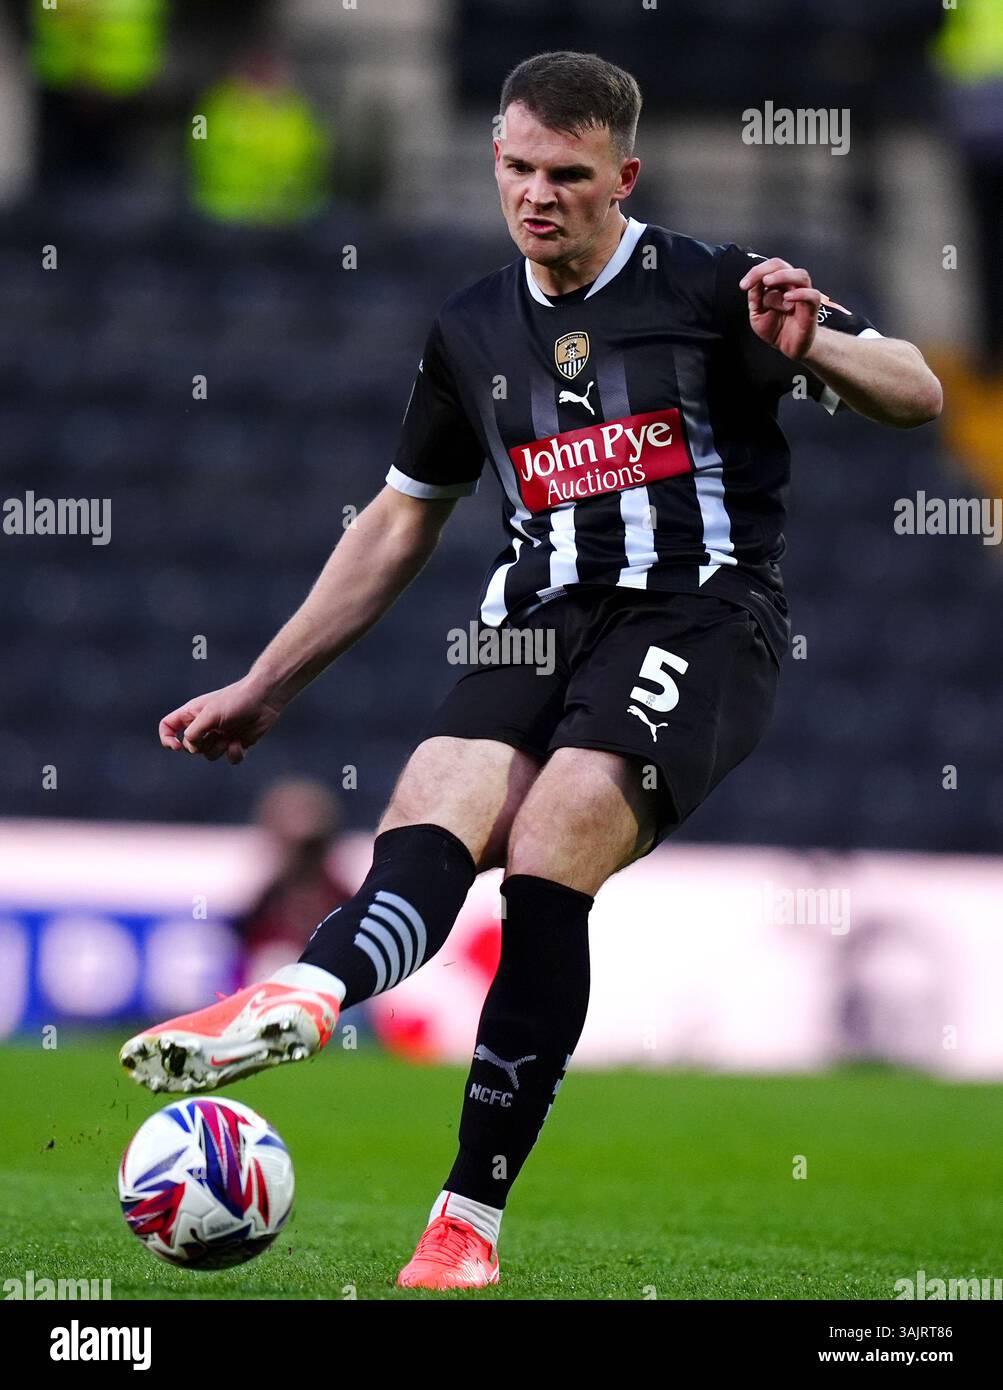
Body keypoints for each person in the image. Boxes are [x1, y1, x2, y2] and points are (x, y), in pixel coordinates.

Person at [120, 51, 942, 1290]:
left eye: (567, 174)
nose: (536, 195)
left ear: (625, 175)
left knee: (555, 831)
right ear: (494, 160)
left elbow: (919, 388)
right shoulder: (469, 326)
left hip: (700, 612)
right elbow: (400, 517)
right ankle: (302, 994)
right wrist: (268, 682)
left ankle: (466, 1217)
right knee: (434, 794)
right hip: (536, 611)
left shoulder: (717, 285)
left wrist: (812, 347)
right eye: (515, 168)